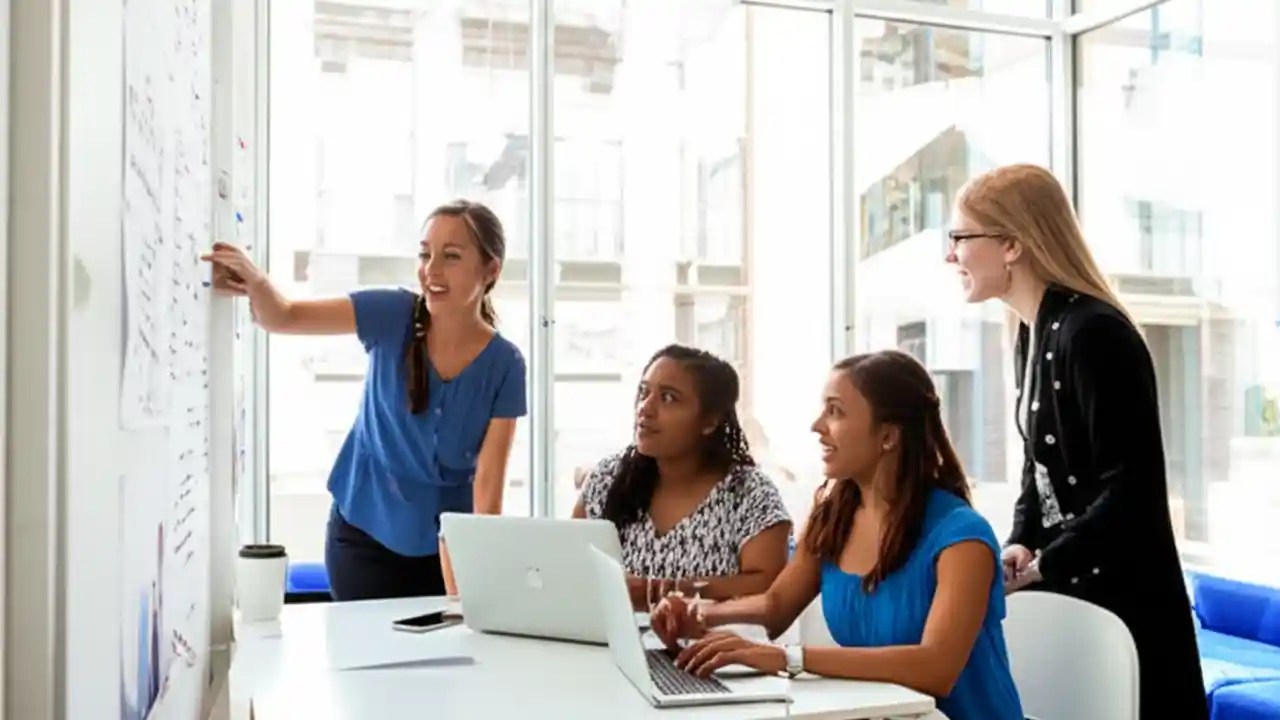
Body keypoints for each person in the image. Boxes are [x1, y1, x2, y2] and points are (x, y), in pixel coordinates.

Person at [945, 163, 1207, 718]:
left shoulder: (1094, 332)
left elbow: (1131, 492)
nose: (951, 255)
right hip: (1080, 604)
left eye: (961, 237)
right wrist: (1021, 541)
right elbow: (1037, 470)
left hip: (1124, 615)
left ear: (1011, 245)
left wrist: (1045, 564)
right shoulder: (1031, 331)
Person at [651, 351, 1023, 720]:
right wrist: (700, 614)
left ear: (888, 436)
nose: (817, 425)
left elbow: (936, 668)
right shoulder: (833, 518)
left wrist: (787, 658)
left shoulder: (962, 537)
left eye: (835, 411)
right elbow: (776, 607)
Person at [201, 199, 527, 601]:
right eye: (425, 254)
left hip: (446, 551)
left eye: (451, 256)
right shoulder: (392, 314)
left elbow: (488, 492)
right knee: (364, 642)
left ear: (491, 270)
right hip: (363, 538)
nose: (432, 270)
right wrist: (255, 280)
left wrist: (472, 592)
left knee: (451, 641)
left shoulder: (505, 365)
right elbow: (284, 316)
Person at [572, 344, 791, 609]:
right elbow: (567, 566)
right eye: (643, 392)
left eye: (668, 398)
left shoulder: (749, 493)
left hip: (714, 636)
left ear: (709, 422)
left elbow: (769, 588)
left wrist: (664, 591)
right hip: (607, 635)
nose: (645, 408)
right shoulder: (607, 479)